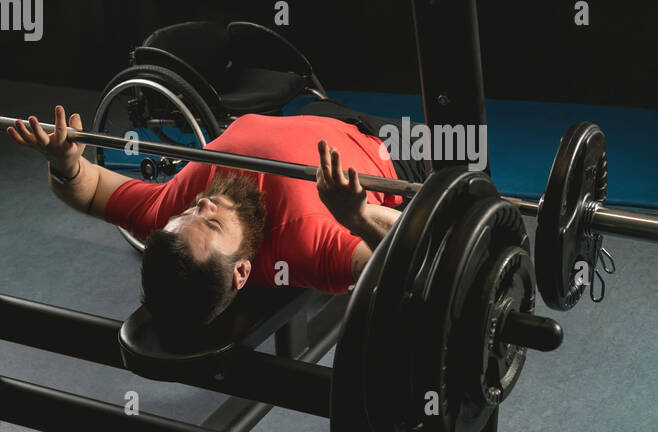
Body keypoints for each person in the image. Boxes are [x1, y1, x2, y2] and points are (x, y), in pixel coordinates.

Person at [7, 101, 428, 341]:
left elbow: (91, 190)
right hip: (384, 147)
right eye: (211, 224)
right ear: (242, 270)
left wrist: (66, 165)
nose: (205, 204)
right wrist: (357, 214)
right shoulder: (304, 243)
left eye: (189, 215)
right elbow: (414, 262)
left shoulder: (170, 211)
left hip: (309, 112)